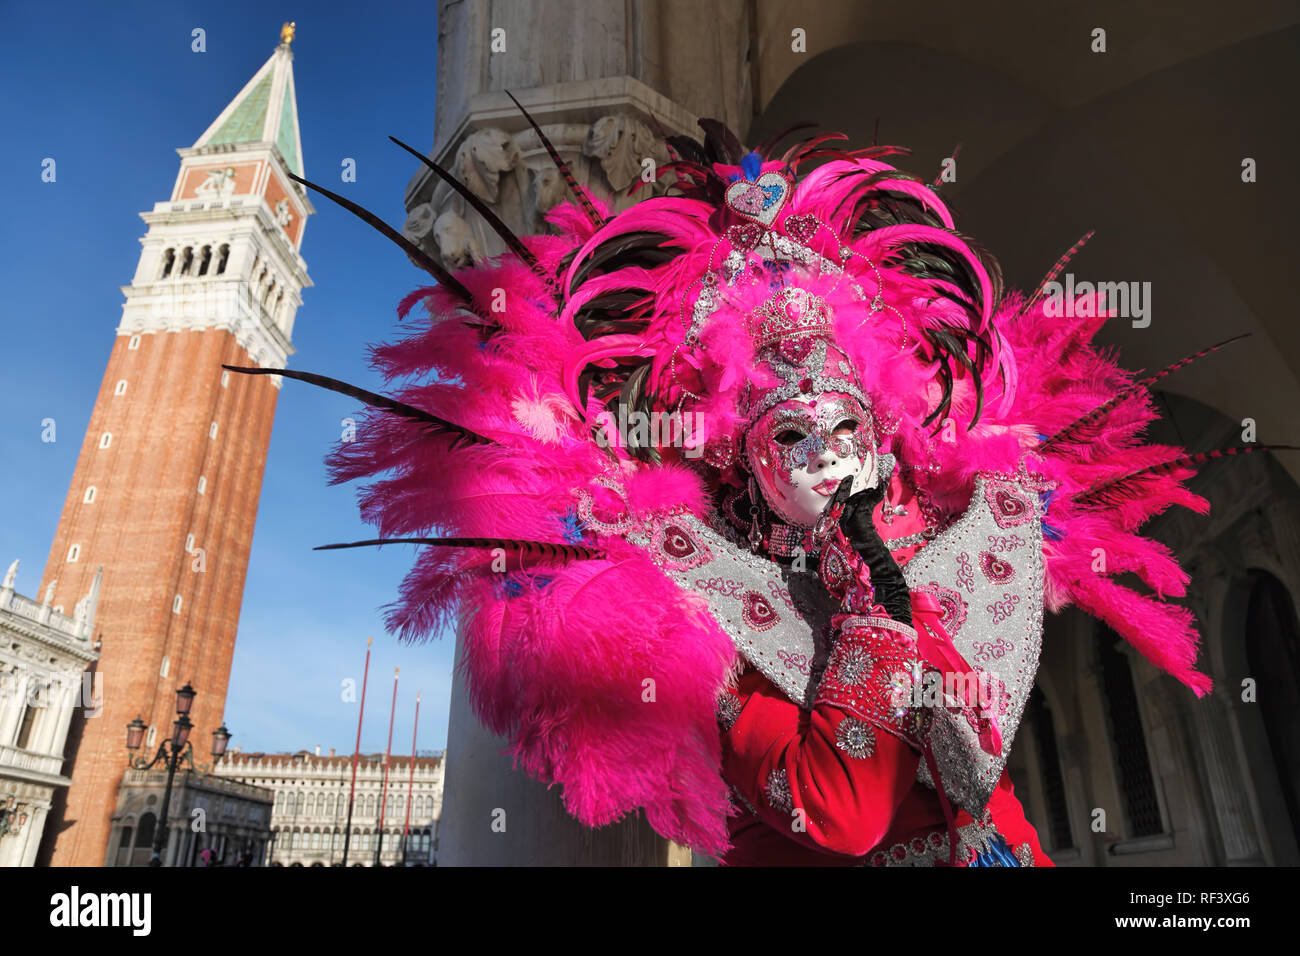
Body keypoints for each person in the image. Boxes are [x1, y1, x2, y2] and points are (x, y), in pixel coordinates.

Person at [230, 110, 1262, 866]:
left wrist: (912, 583)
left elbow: (973, 768)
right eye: (791, 434)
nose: (825, 454)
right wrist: (869, 610)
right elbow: (842, 809)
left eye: (846, 427)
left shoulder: (931, 545)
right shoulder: (697, 610)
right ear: (742, 459)